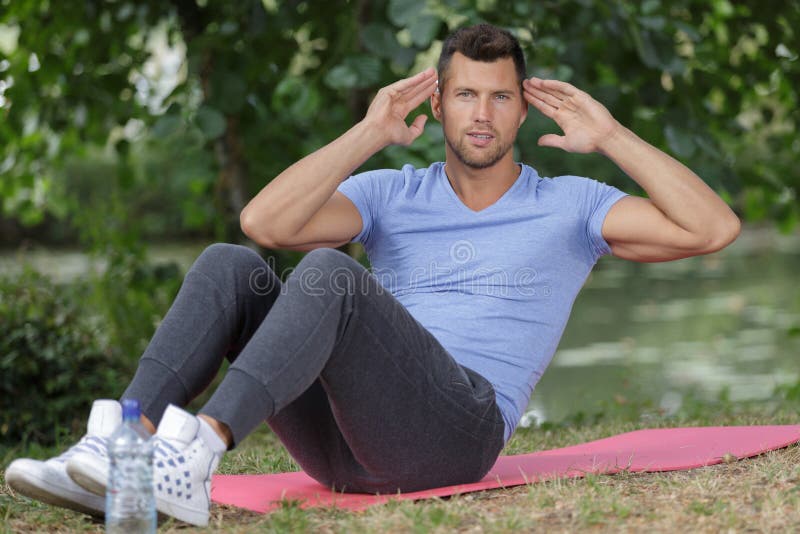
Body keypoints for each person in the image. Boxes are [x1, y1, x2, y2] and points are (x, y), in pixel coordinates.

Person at [5, 23, 740, 527]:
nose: (481, 114)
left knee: (330, 274)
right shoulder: (393, 191)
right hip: (346, 450)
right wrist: (368, 133)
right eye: (464, 94)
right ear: (439, 104)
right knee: (233, 266)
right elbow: (265, 225)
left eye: (500, 97)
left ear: (522, 111)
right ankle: (125, 442)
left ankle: (194, 454)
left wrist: (610, 136)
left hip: (457, 434)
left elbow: (713, 229)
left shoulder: (571, 206)